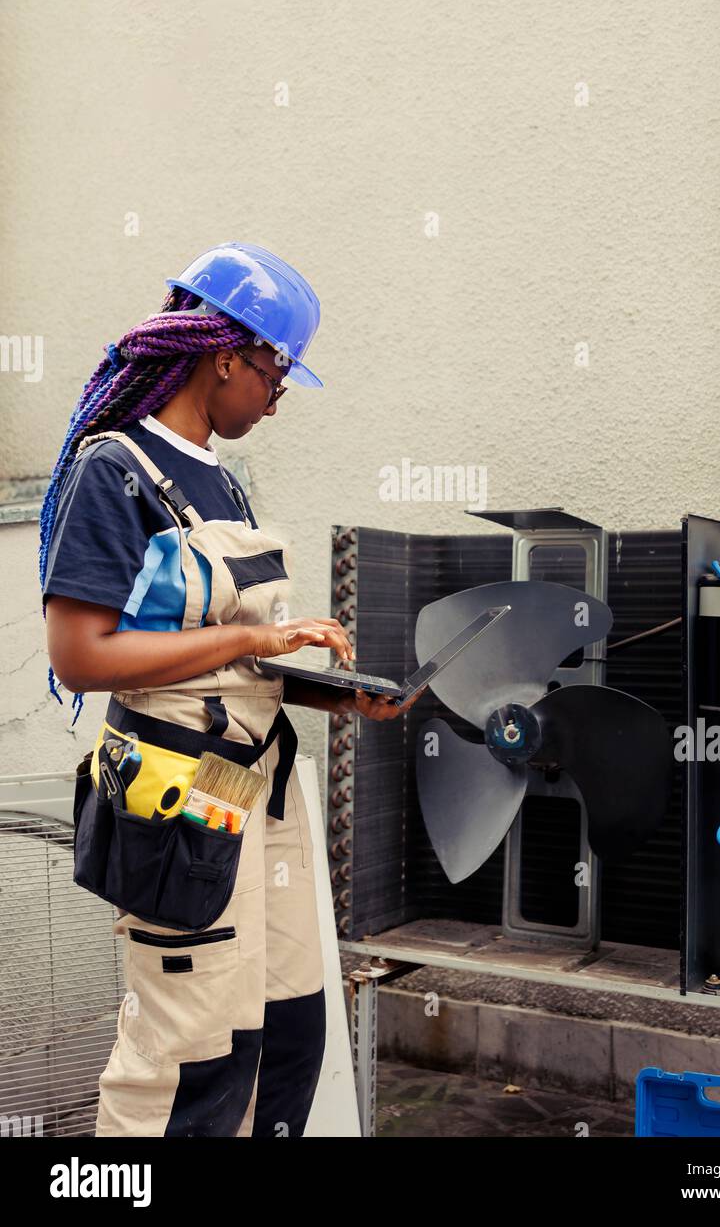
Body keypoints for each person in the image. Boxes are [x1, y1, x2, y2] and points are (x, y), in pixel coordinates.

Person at [40, 242, 419, 1137]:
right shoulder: (117, 470)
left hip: (245, 782)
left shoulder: (223, 481)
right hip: (173, 787)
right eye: (276, 372)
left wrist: (330, 693)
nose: (280, 395)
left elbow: (224, 663)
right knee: (189, 1052)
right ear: (225, 356)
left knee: (282, 1026)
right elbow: (80, 656)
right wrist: (255, 634)